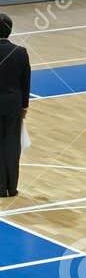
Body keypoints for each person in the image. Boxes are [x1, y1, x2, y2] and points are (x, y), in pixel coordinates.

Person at [0, 13, 31, 199]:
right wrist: (24, 107)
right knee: (12, 146)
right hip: (13, 104)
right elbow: (25, 82)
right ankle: (11, 188)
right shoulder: (20, 52)